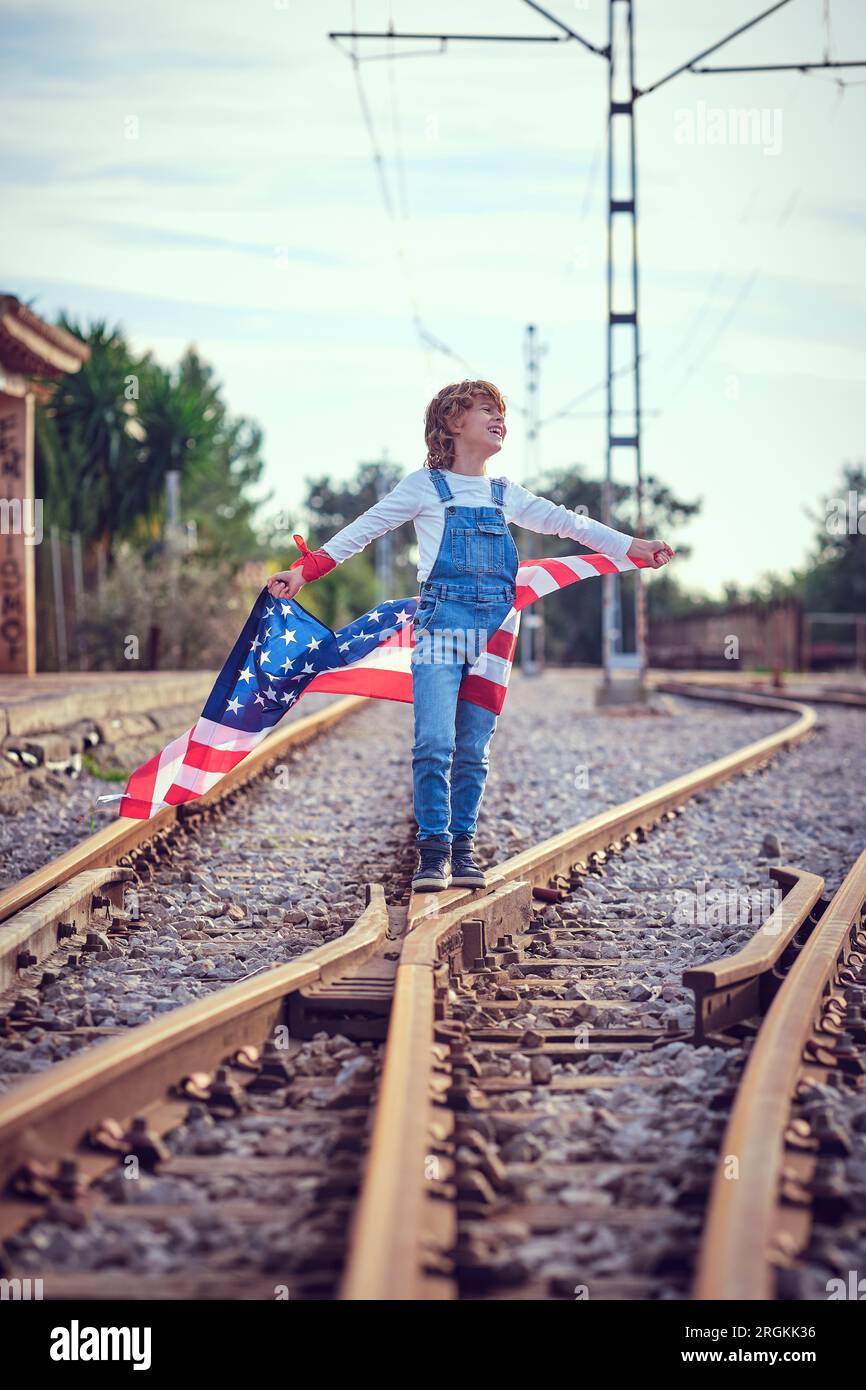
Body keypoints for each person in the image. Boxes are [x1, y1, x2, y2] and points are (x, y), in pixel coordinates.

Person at [267, 380, 673, 893]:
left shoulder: (506, 494)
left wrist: (634, 547)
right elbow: (364, 529)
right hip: (440, 629)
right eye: (485, 410)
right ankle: (432, 851)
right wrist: (305, 571)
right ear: (453, 423)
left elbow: (570, 525)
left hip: (495, 634)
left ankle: (463, 846)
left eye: (501, 412)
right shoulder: (424, 486)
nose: (498, 419)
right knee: (434, 741)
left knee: (474, 748)